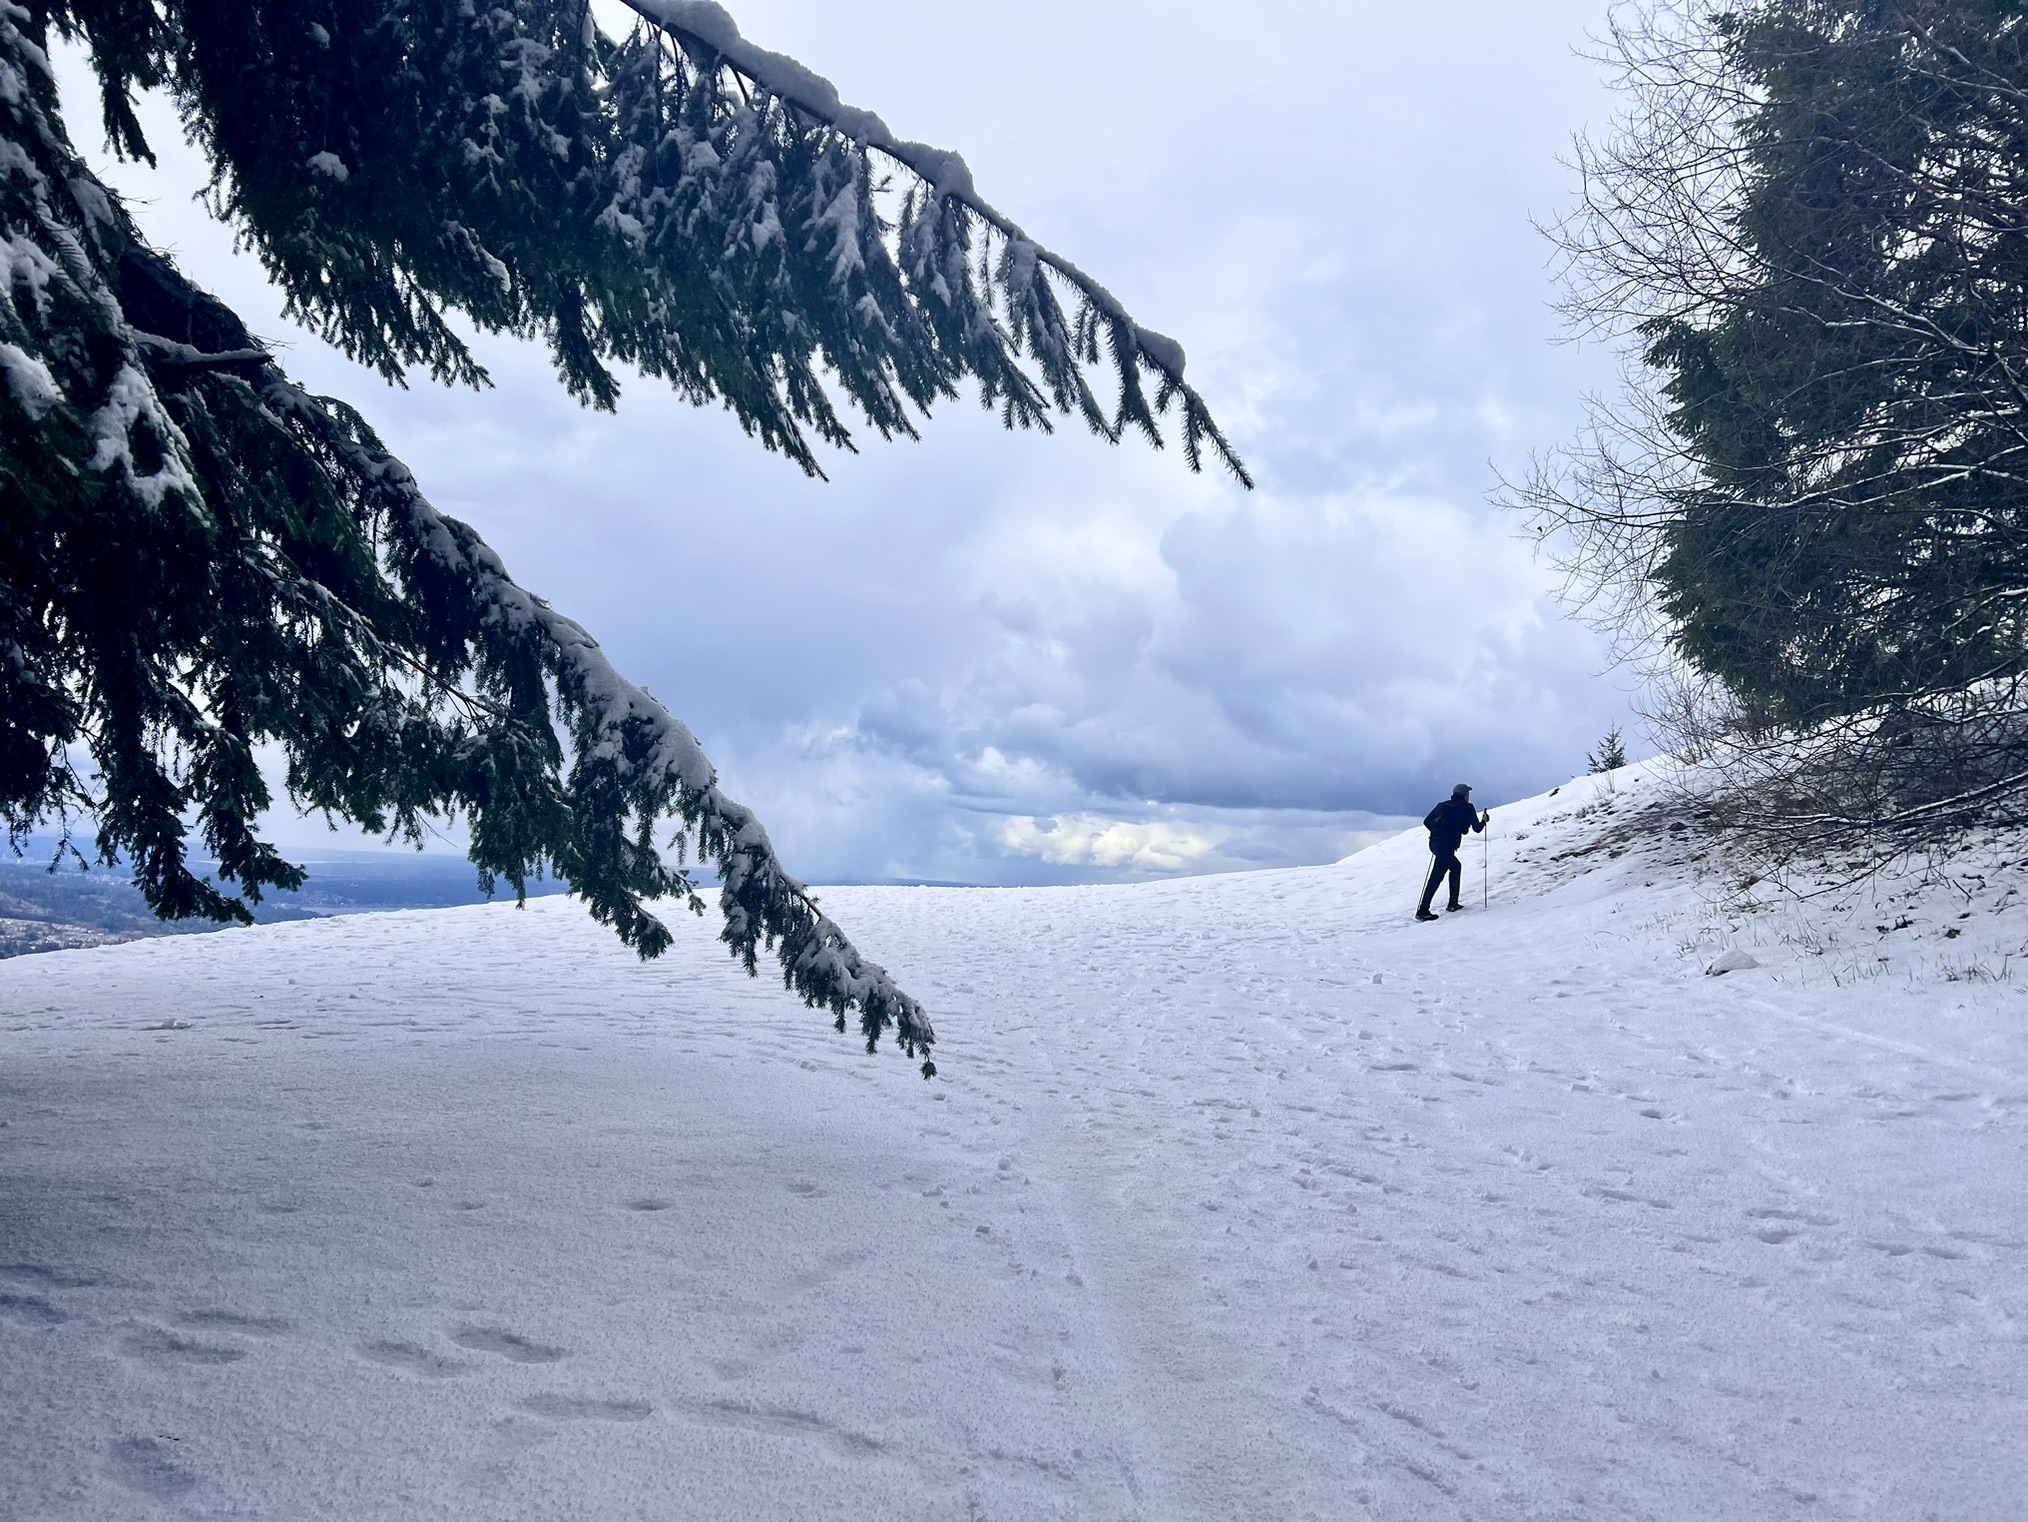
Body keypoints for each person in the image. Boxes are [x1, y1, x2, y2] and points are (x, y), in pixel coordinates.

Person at [1415, 783, 1488, 922]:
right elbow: (1477, 829)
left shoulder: (1442, 805)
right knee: (1437, 876)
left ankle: (1452, 903)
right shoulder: (1467, 807)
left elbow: (1427, 821)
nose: (1469, 796)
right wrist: (1484, 821)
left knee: (1455, 867)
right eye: (1468, 793)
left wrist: (1438, 833)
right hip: (1447, 846)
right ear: (1465, 795)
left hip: (1435, 843)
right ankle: (1423, 911)